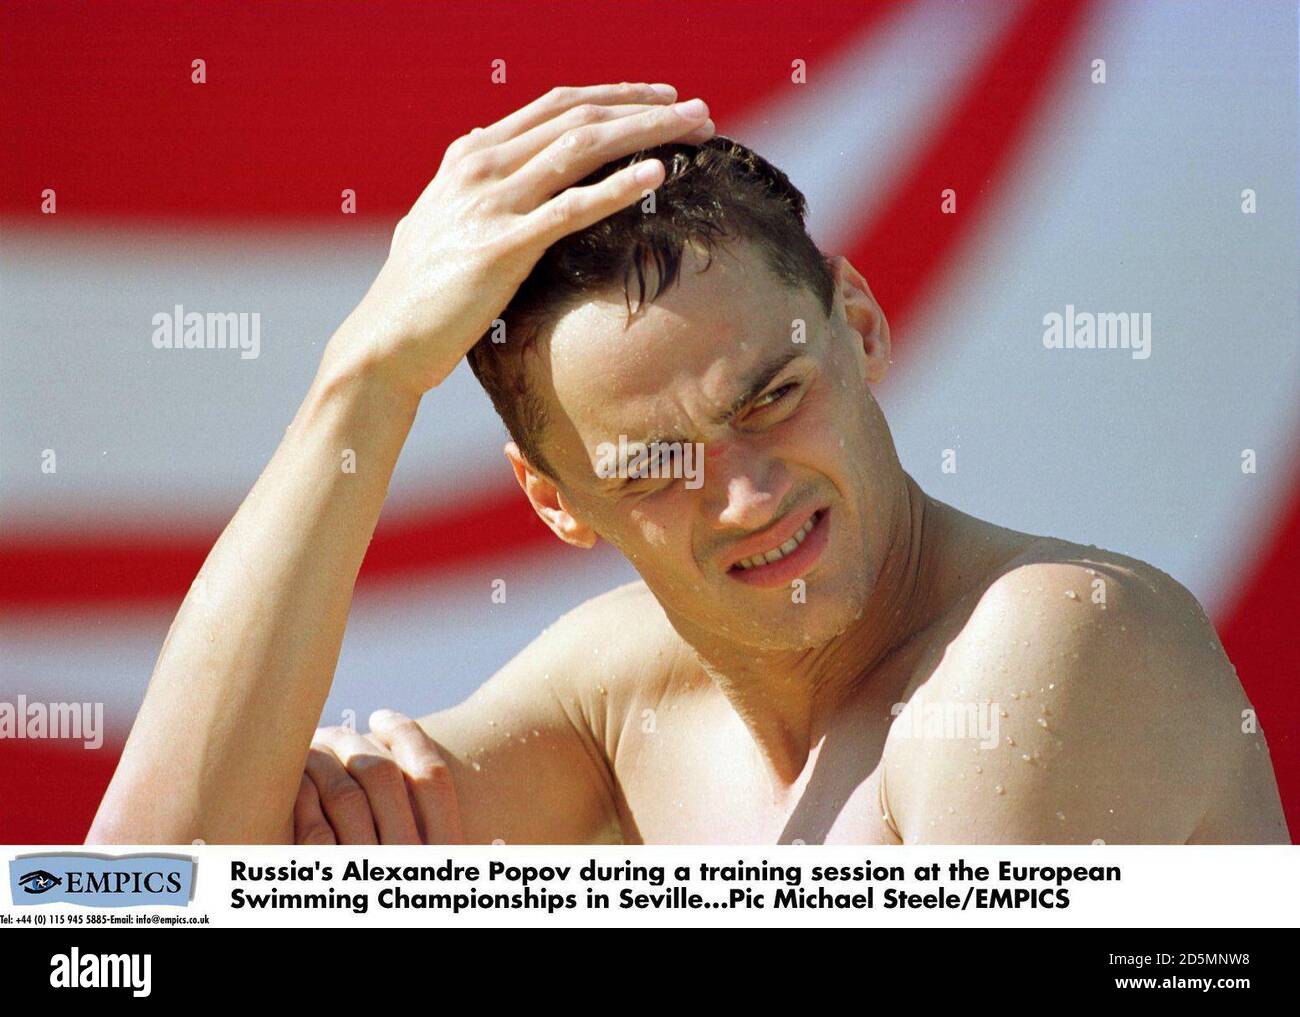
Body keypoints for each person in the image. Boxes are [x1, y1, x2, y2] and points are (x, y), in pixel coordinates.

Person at [88, 83, 1288, 846]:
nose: (753, 494)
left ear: (859, 324)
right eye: (659, 468)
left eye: (773, 396)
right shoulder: (618, 704)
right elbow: (129, 913)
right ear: (555, 505)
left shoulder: (1054, 643)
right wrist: (365, 377)